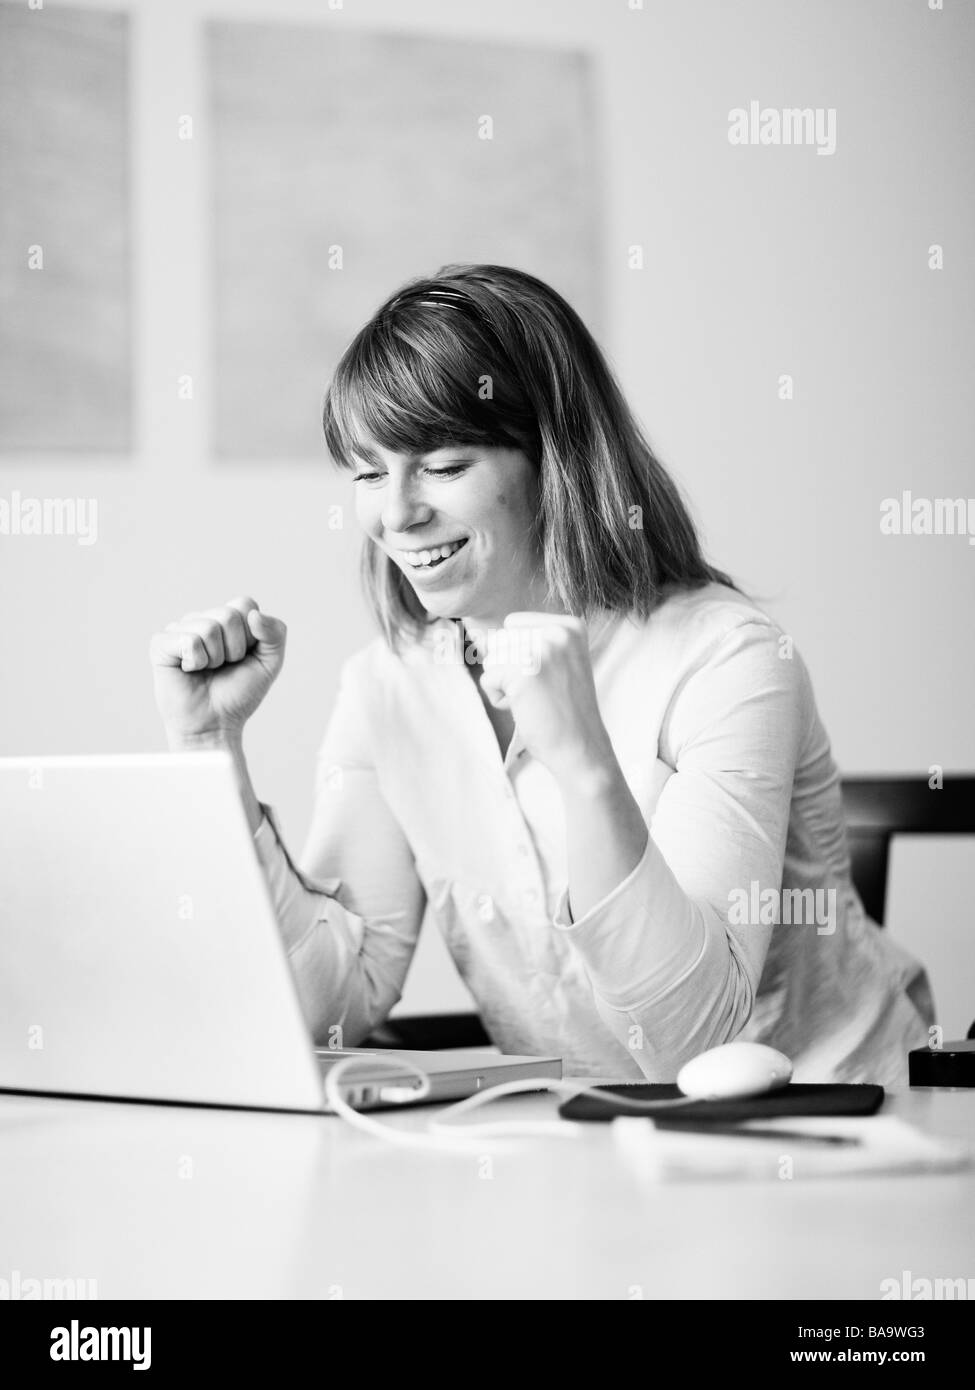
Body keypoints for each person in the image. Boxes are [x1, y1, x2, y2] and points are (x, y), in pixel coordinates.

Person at [149, 263, 933, 1086]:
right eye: (370, 472)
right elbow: (331, 1011)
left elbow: (693, 1048)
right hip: (588, 1150)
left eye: (444, 466)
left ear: (553, 462)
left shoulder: (727, 658)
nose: (396, 512)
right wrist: (210, 748)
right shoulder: (387, 687)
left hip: (844, 1130)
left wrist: (583, 761)